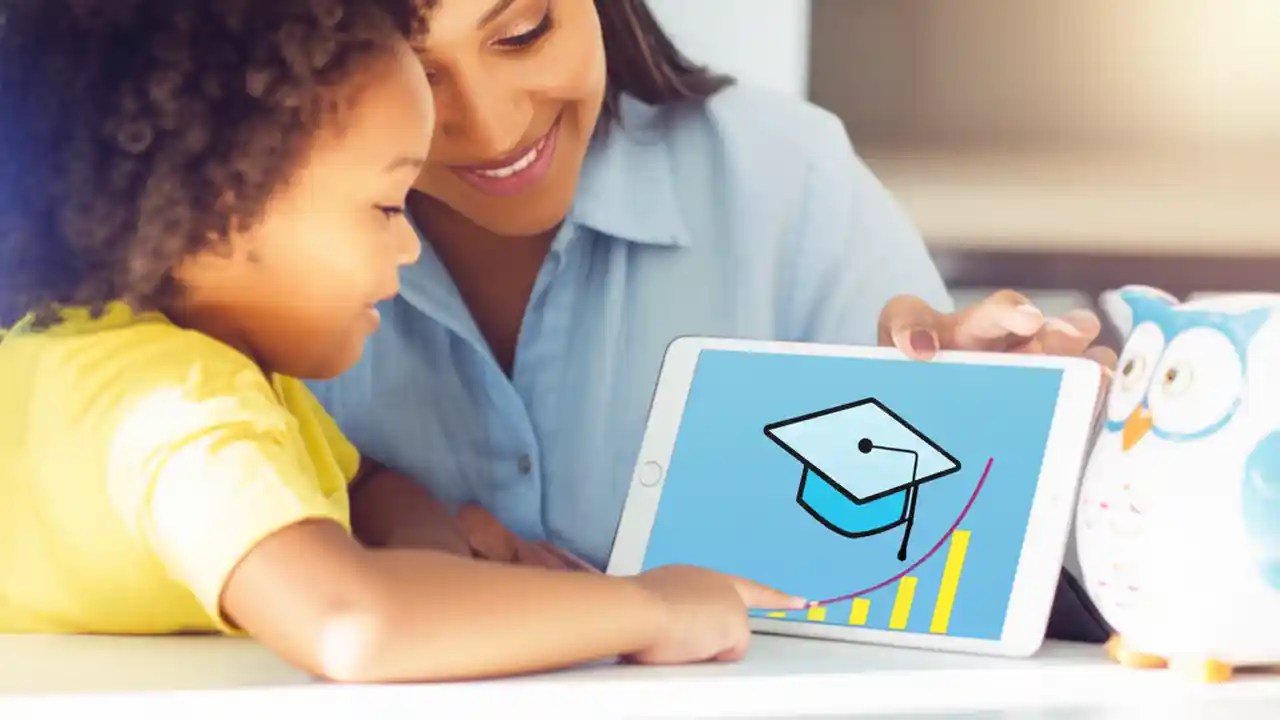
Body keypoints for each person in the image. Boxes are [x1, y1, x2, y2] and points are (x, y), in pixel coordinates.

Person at [0, 0, 805, 683]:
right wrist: (649, 607)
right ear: (218, 212)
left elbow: (366, 484)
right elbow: (354, 623)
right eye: (387, 206)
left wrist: (436, 559)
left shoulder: (131, 362)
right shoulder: (168, 410)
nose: (411, 245)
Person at [306, 0, 1118, 571]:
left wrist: (1003, 433)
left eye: (521, 33)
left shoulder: (780, 174)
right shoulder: (260, 238)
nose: (489, 127)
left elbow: (950, 533)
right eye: (415, 78)